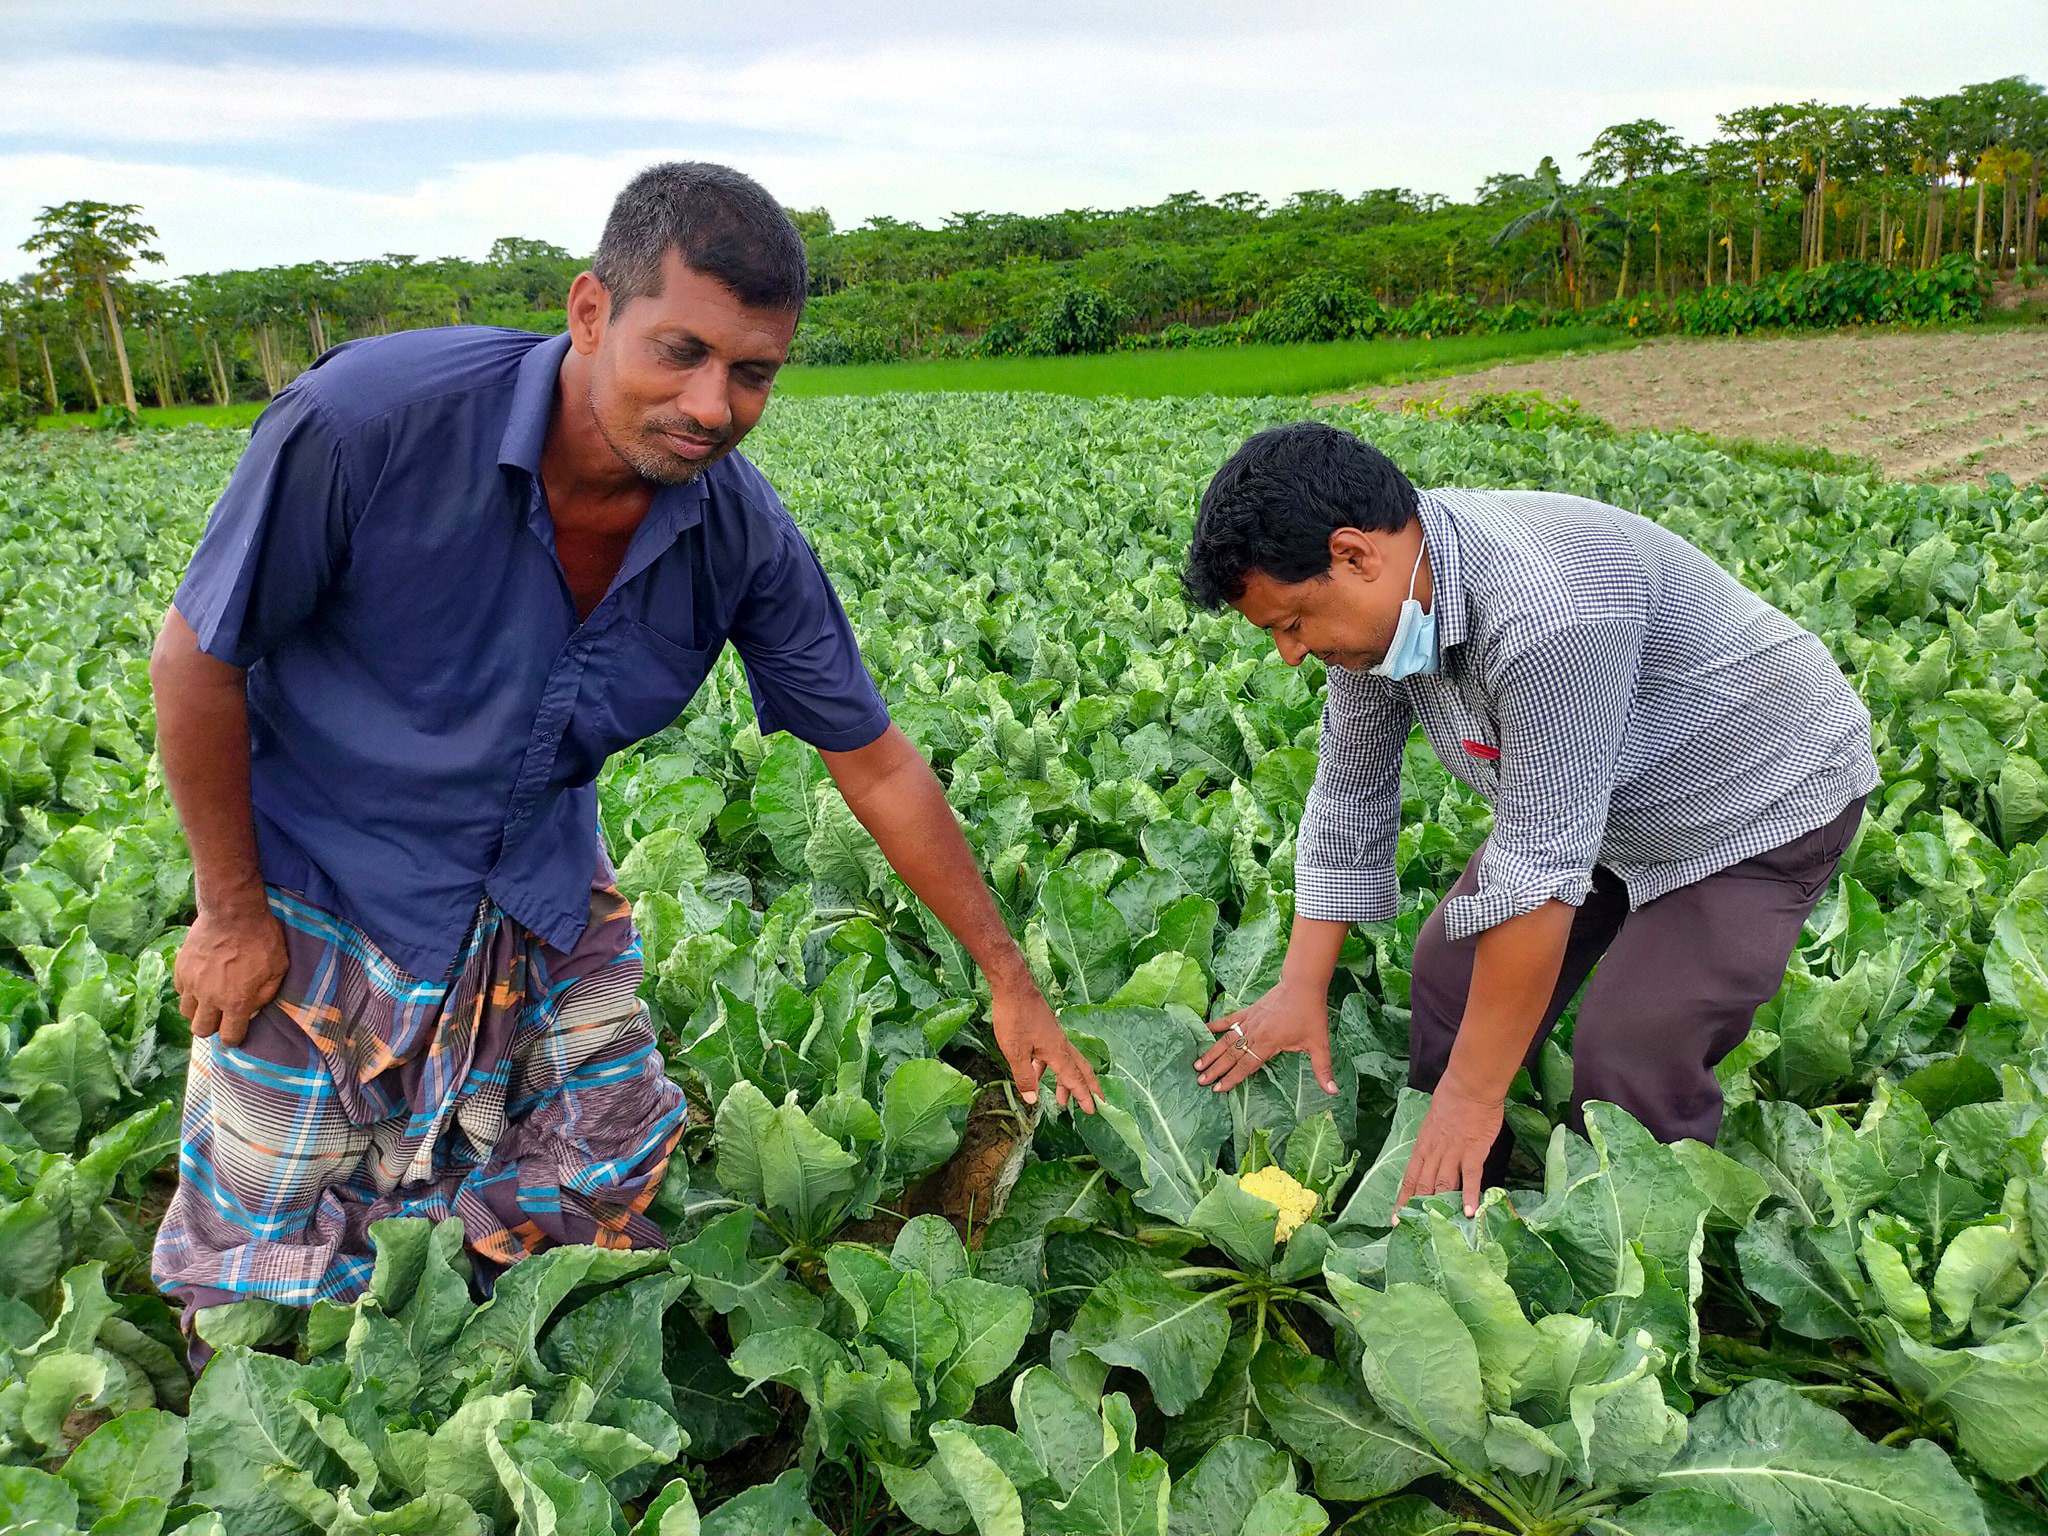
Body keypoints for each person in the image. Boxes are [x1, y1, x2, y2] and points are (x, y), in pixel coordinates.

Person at [150, 161, 1099, 1333]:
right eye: (681, 353)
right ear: (589, 312)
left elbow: (875, 759)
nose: (712, 405)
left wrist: (1006, 977)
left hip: (534, 880)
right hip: (322, 877)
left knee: (618, 1141)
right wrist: (230, 912)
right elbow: (198, 661)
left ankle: (441, 1287)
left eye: (751, 374)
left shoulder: (737, 532)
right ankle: (368, 1295)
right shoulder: (370, 424)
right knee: (250, 1259)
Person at [1181, 423, 1875, 1220]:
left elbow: (1538, 876)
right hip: (1610, 797)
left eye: (1291, 624)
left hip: (1755, 794)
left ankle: (1625, 1261)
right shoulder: (1384, 615)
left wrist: (1474, 1092)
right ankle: (1456, 1203)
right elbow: (1348, 794)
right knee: (1452, 973)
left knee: (1630, 1049)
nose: (1289, 654)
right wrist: (1301, 986)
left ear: (1353, 554)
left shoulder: (1547, 616)